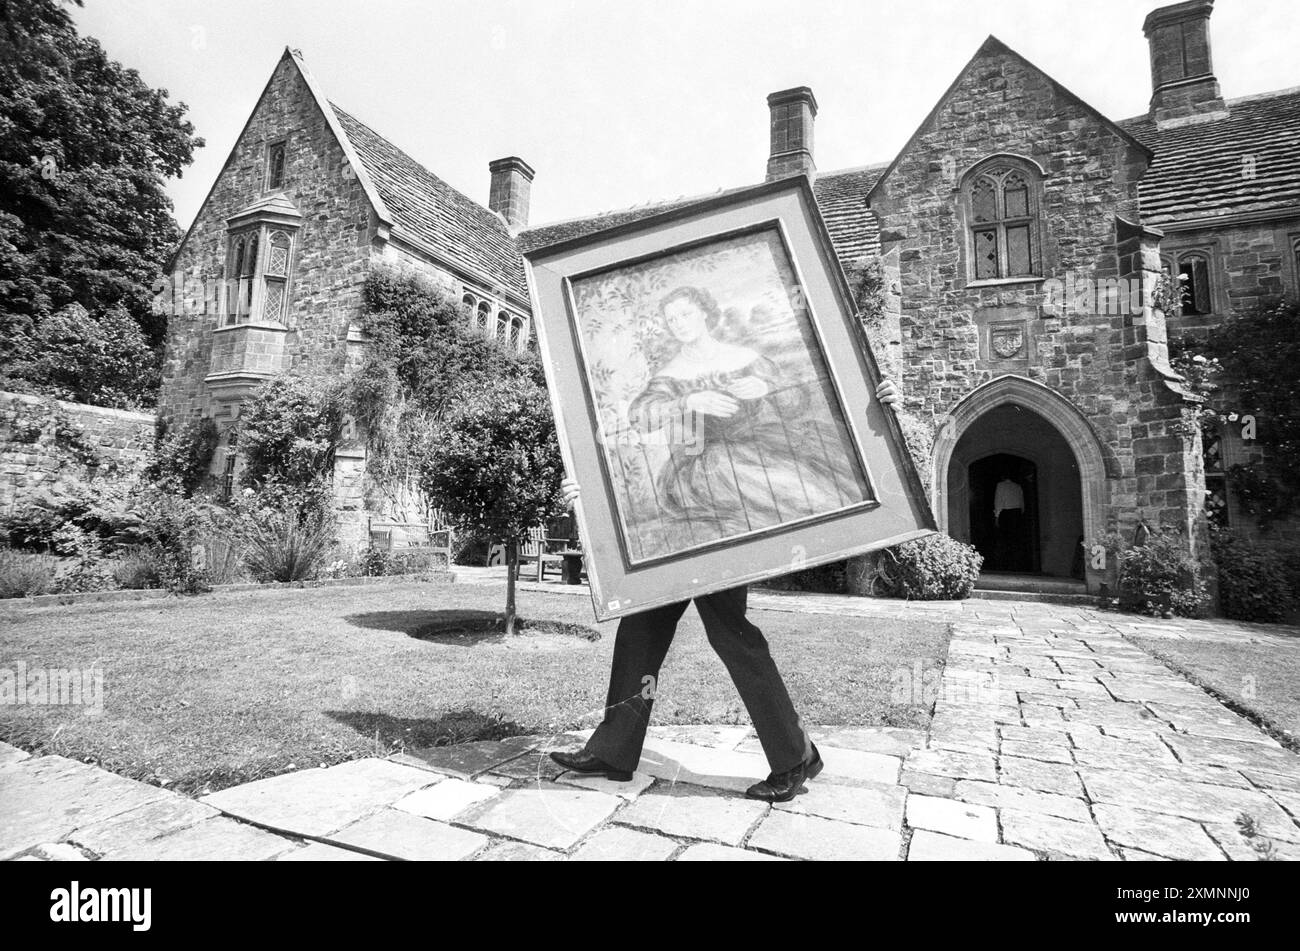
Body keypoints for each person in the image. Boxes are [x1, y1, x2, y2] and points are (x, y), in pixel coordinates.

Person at [550, 377, 902, 803]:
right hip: (676, 513)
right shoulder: (667, 376)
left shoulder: (748, 363)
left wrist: (875, 403)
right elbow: (629, 425)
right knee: (640, 628)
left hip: (724, 519)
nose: (679, 322)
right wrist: (585, 494)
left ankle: (795, 756)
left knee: (731, 634)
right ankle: (614, 750)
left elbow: (810, 404)